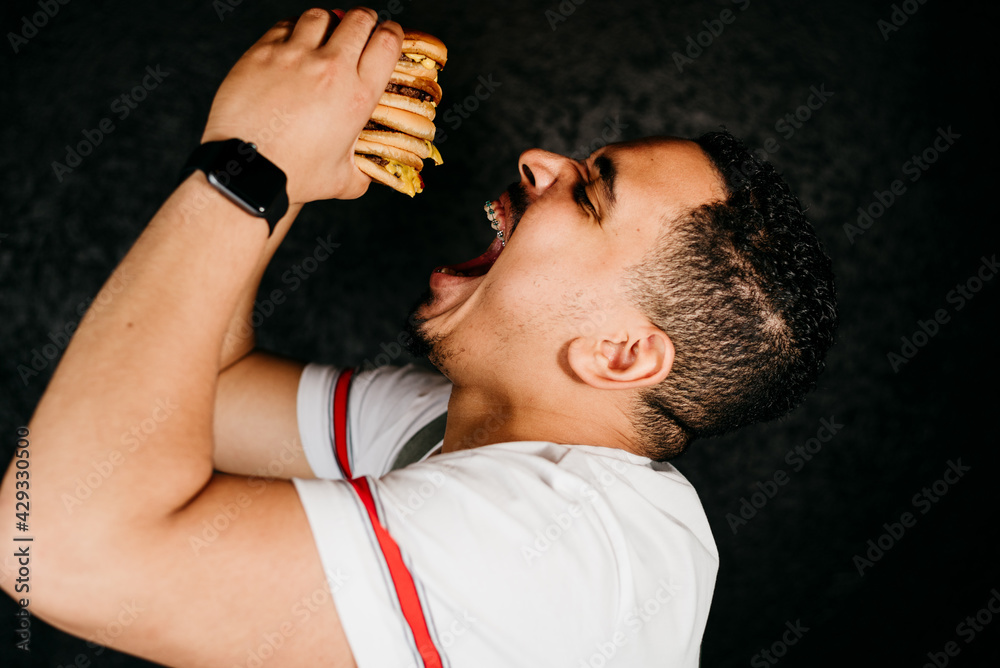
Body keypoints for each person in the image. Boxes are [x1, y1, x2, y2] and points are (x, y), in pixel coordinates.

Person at [0, 7, 836, 668]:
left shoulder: (561, 545)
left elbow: (53, 548)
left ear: (621, 354)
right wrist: (278, 178)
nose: (542, 159)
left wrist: (244, 167)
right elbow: (204, 392)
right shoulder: (467, 427)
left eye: (588, 196)